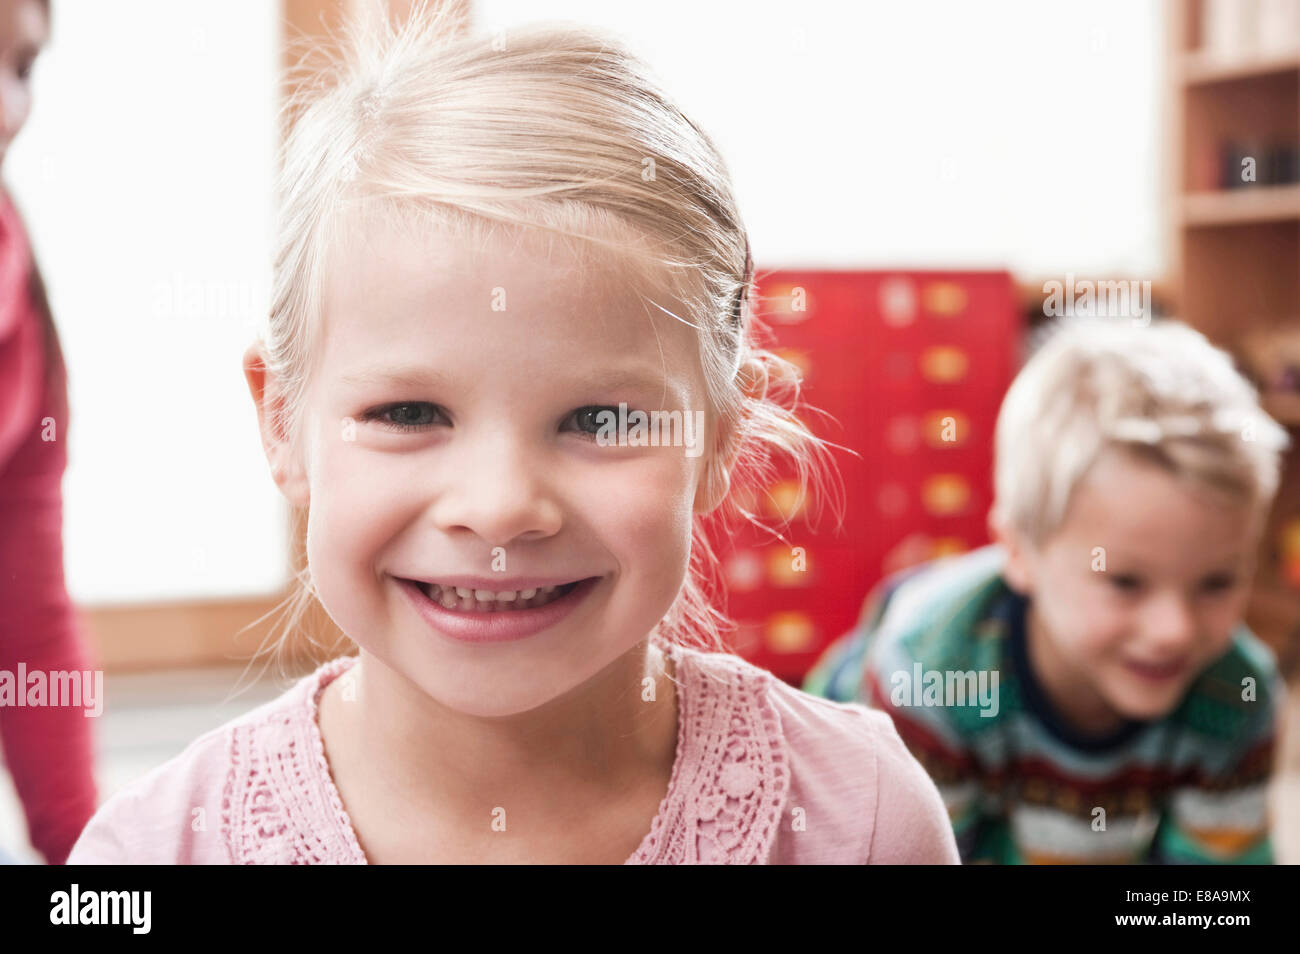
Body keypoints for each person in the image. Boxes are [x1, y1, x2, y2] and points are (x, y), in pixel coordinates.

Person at [66, 5, 958, 864]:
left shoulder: (862, 822)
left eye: (601, 420)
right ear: (281, 421)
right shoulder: (151, 852)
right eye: (409, 415)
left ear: (720, 440)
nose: (498, 511)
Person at [805, 318, 1291, 864]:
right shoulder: (932, 676)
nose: (1174, 629)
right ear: (1019, 552)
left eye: (1217, 582)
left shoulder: (1238, 695)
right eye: (1125, 582)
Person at [0, 0, 99, 866]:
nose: (5, 110)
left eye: (20, 68)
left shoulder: (16, 278)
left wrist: (91, 870)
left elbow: (27, 616)